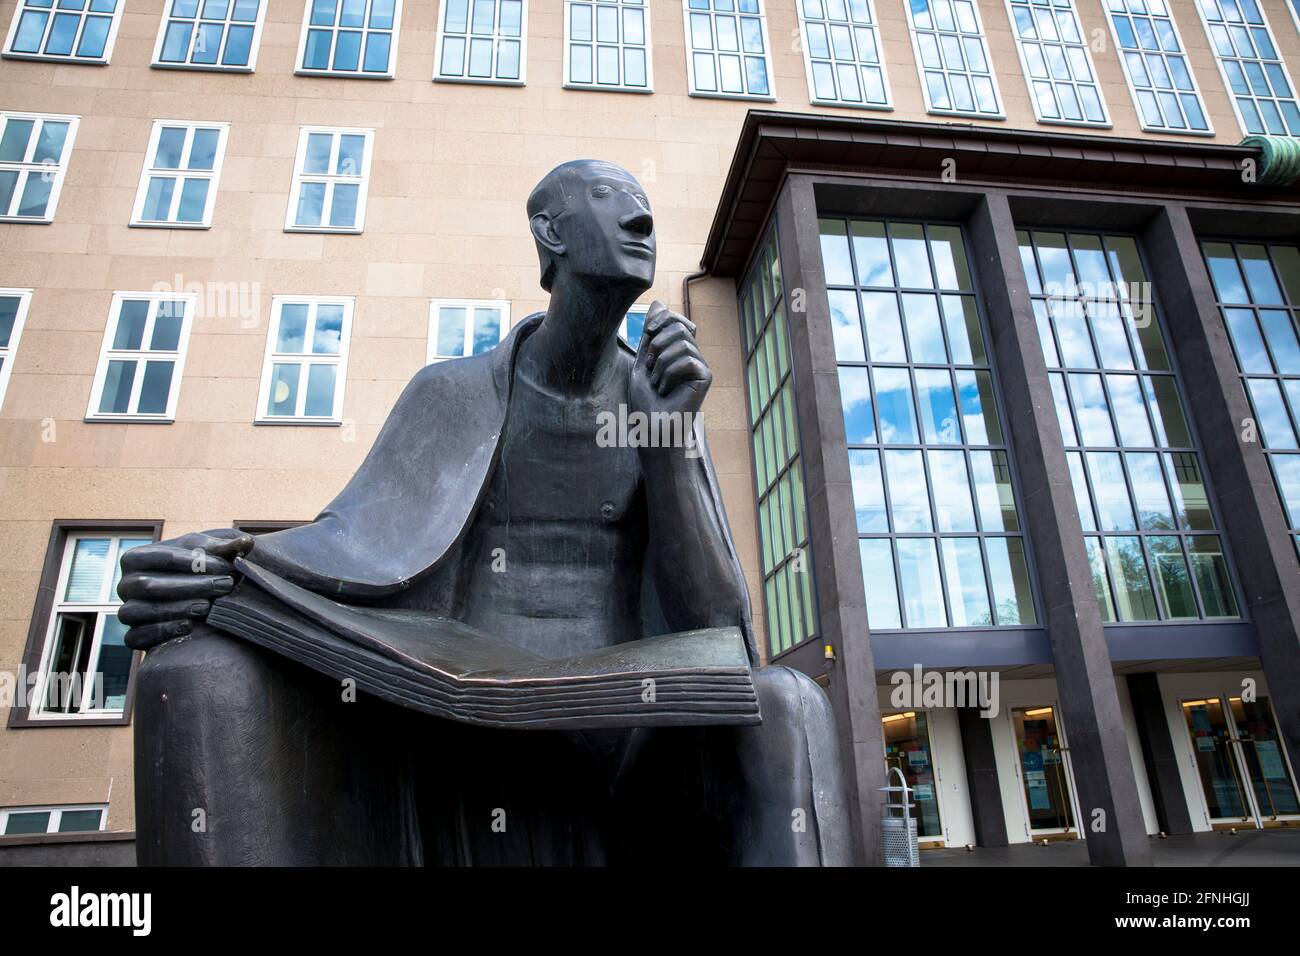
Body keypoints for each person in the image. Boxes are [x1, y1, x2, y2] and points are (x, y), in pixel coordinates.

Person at [118, 160, 850, 866]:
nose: (641, 218)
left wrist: (669, 441)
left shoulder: (655, 400)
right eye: (607, 196)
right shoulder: (450, 395)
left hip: (632, 745)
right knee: (198, 669)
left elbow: (715, 628)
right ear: (550, 235)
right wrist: (233, 566)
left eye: (644, 204)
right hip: (453, 734)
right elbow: (353, 544)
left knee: (786, 700)